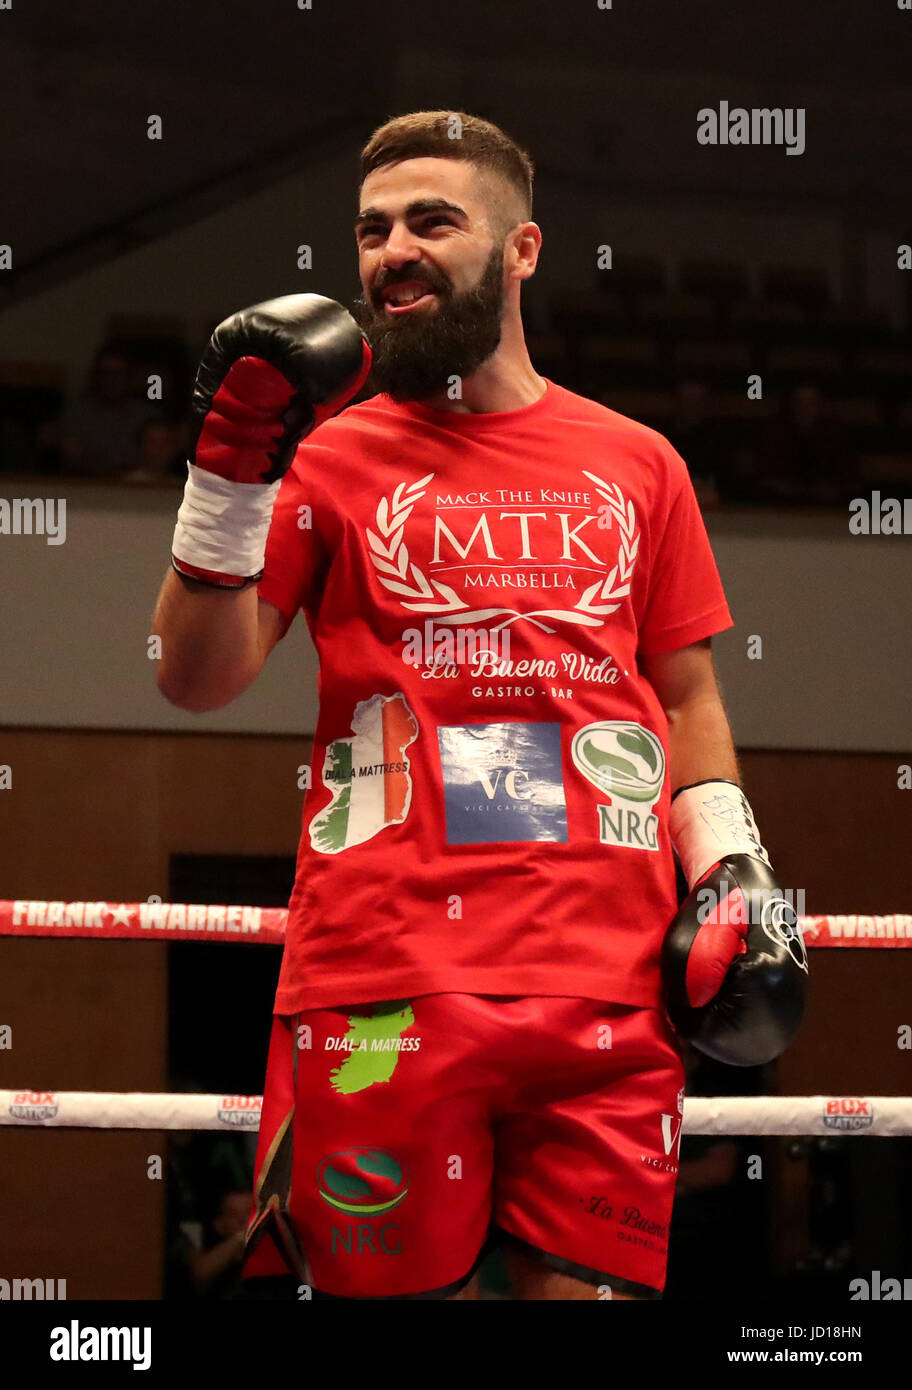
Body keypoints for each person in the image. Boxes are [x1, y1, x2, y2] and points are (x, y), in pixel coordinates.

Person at [151, 110, 806, 1301]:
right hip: (387, 977)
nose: (392, 249)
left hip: (608, 982)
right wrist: (231, 459)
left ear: (522, 250)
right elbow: (195, 676)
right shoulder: (325, 458)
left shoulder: (639, 461)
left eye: (432, 221)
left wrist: (731, 868)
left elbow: (689, 695)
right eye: (371, 229)